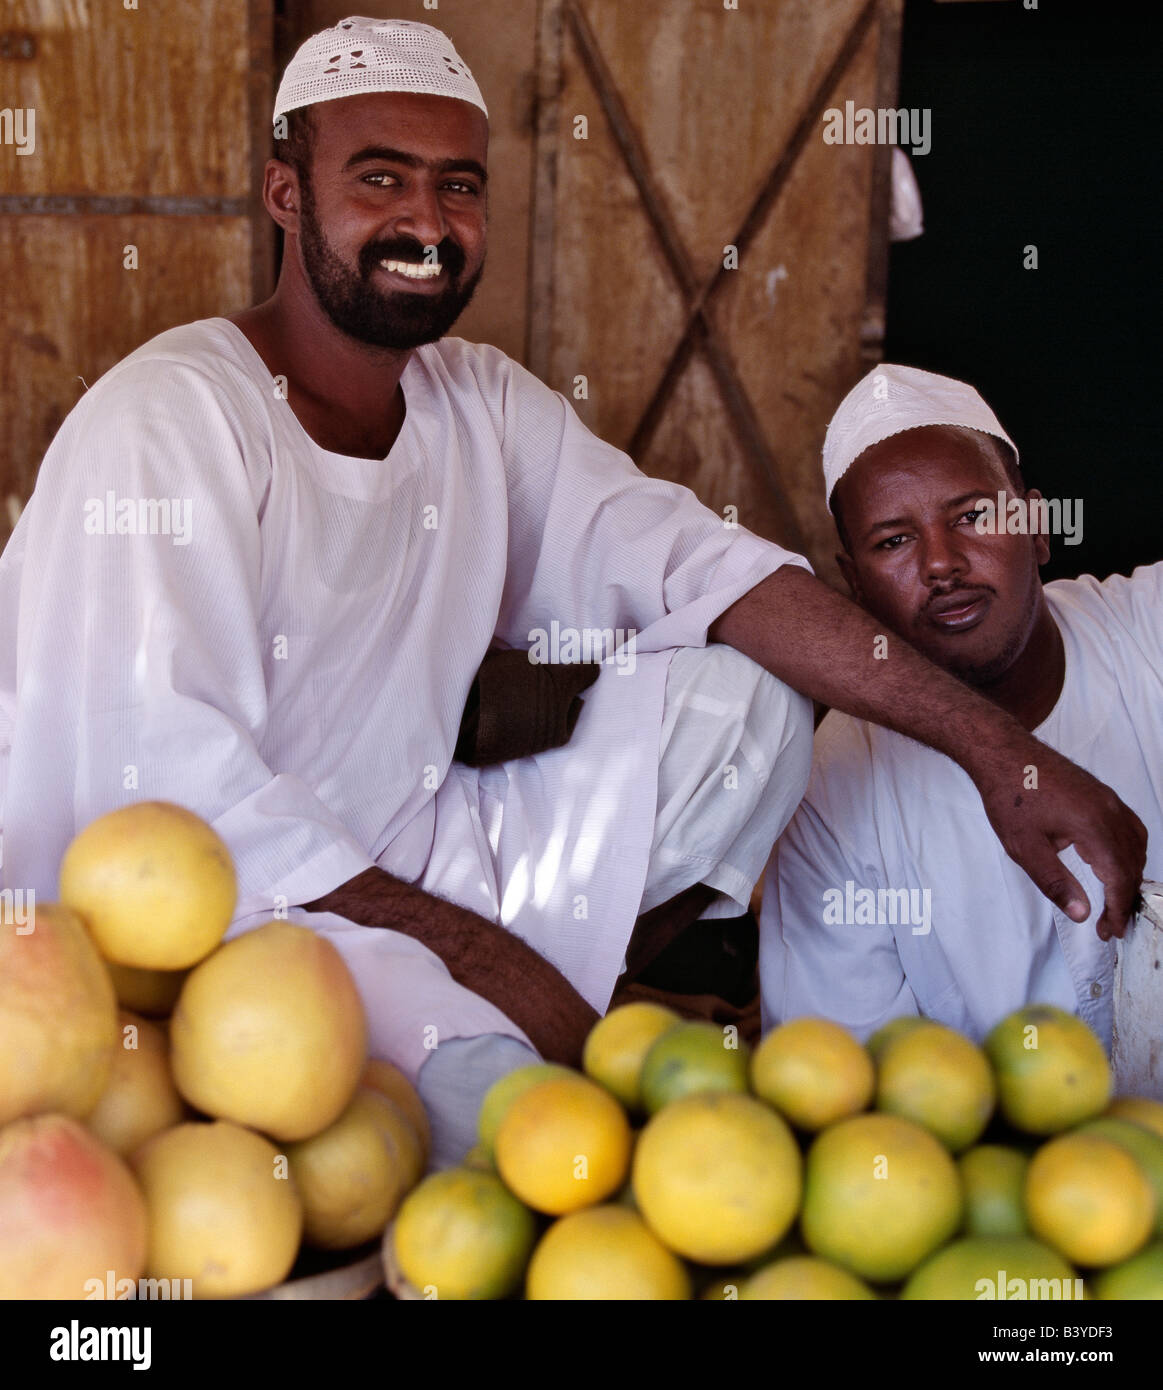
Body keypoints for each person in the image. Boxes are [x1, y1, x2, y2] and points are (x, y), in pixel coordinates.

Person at [0, 20, 1144, 1162]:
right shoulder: (172, 418)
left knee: (743, 703)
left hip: (414, 852)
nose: (427, 223)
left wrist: (1004, 754)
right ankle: (506, 1026)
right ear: (285, 195)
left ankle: (554, 997)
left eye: (459, 185)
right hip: (223, 913)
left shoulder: (476, 406)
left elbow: (711, 571)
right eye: (380, 178)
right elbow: (159, 797)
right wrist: (494, 968)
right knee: (521, 1139)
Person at [759, 364, 1161, 1048]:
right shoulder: (829, 793)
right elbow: (844, 1082)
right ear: (854, 585)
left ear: (1036, 528)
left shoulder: (1149, 630)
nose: (940, 563)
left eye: (972, 516)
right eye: (894, 541)